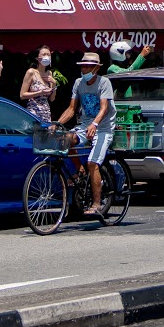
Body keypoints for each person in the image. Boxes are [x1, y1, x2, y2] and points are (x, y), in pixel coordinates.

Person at [57, 51, 115, 216]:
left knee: (93, 163)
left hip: (103, 127)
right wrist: (57, 123)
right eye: (83, 66)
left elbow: (104, 107)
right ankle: (79, 170)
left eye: (88, 66)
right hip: (84, 125)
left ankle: (97, 203)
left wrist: (95, 124)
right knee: (67, 139)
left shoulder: (104, 83)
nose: (85, 69)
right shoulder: (78, 83)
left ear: (96, 68)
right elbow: (71, 108)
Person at [20, 47, 61, 126]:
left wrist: (54, 84)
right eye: (44, 54)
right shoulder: (31, 72)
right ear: (37, 58)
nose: (46, 57)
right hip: (33, 111)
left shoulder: (49, 73)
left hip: (45, 112)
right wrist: (40, 92)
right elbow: (22, 95)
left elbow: (52, 99)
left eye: (48, 55)